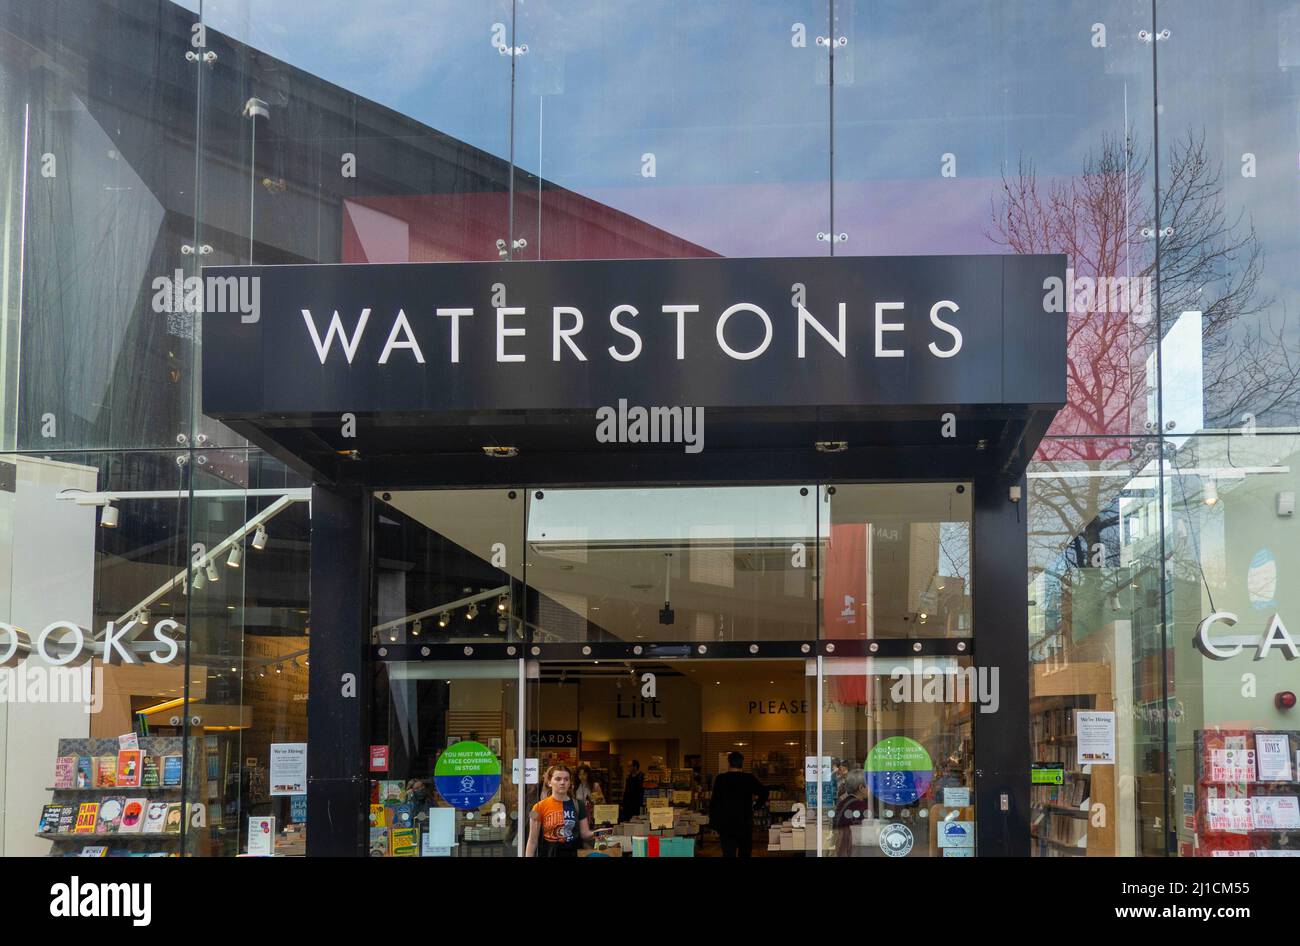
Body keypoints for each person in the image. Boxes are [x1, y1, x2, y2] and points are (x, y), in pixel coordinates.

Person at [525, 763, 603, 857]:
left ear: (570, 782)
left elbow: (584, 833)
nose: (562, 782)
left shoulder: (578, 805)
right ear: (549, 782)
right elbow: (532, 840)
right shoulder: (538, 807)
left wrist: (601, 832)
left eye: (566, 779)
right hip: (549, 853)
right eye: (558, 779)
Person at [708, 752, 769, 857]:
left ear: (729, 762)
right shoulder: (748, 778)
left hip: (726, 824)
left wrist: (714, 825)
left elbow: (714, 803)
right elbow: (764, 793)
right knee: (745, 853)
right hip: (744, 823)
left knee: (728, 853)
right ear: (742, 763)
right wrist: (756, 807)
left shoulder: (721, 779)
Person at [831, 769, 873, 857]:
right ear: (861, 788)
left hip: (841, 848)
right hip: (850, 849)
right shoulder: (858, 805)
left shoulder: (845, 802)